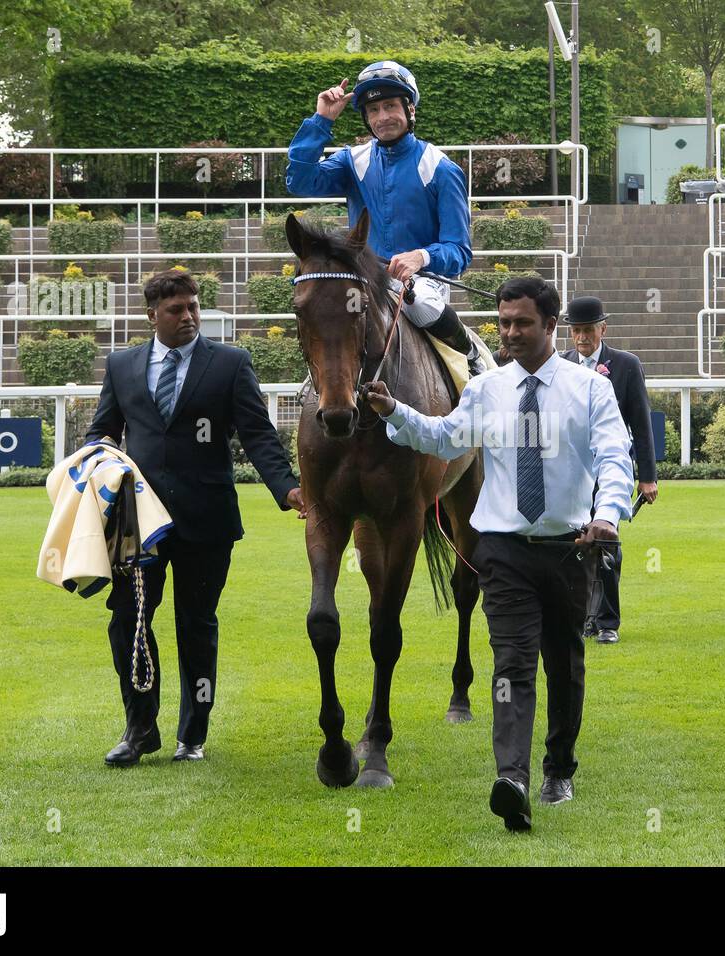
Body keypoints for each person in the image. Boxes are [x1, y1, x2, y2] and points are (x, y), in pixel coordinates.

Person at [361, 276, 633, 832]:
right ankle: (511, 778)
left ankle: (559, 765)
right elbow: (444, 438)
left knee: (564, 665)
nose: (508, 333)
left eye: (522, 324)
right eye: (504, 323)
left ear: (551, 326)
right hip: (502, 550)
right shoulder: (486, 389)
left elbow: (612, 456)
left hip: (569, 549)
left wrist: (607, 514)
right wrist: (395, 413)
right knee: (511, 664)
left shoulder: (589, 389)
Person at [85, 269, 305, 766]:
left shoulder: (229, 364)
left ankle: (193, 735)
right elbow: (102, 433)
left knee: (196, 625)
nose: (188, 317)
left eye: (193, 307)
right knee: (128, 622)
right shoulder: (121, 366)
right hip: (137, 524)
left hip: (206, 521)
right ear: (151, 316)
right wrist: (95, 468)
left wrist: (287, 487)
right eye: (176, 310)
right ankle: (139, 729)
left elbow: (258, 434)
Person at [285, 61, 481, 369]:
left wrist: (421, 257)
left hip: (420, 282)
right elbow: (299, 182)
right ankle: (318, 385)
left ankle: (471, 360)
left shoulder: (441, 169)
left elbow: (459, 251)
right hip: (363, 279)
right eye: (373, 110)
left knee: (424, 306)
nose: (383, 117)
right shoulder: (353, 160)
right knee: (325, 310)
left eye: (390, 106)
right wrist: (321, 120)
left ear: (410, 110)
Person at [559, 295, 658, 645]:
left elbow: (642, 424)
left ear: (603, 328)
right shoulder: (561, 364)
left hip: (609, 467)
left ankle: (607, 621)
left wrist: (647, 476)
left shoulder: (626, 365)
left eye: (589, 330)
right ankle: (582, 615)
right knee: (575, 543)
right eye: (577, 331)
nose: (583, 337)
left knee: (605, 543)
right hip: (571, 471)